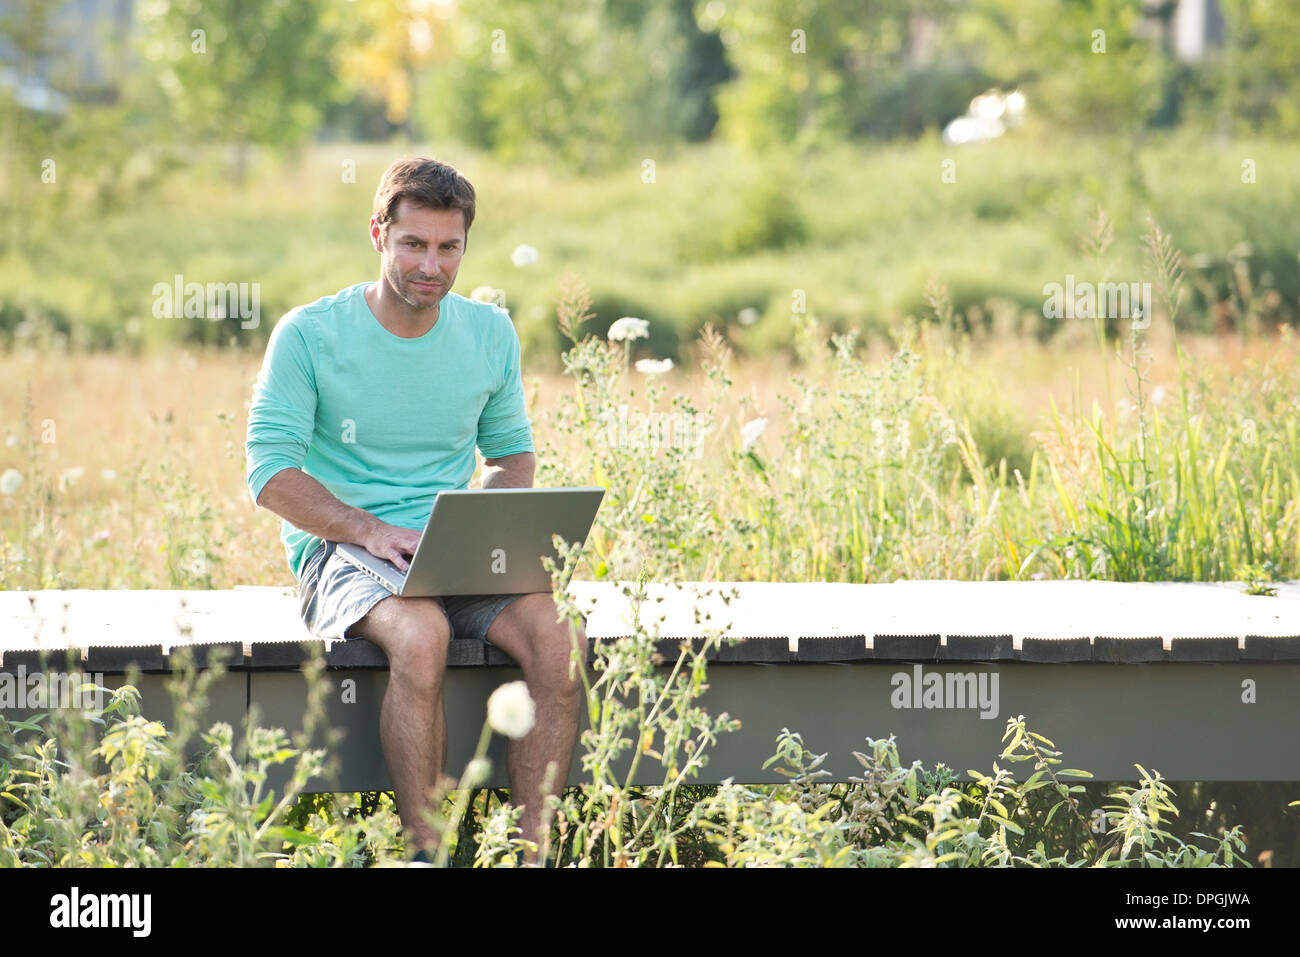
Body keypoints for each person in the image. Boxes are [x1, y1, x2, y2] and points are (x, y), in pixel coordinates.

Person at [244, 157, 586, 862]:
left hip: (451, 547)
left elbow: (511, 459)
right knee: (421, 634)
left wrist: (479, 525)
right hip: (343, 552)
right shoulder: (309, 334)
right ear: (378, 235)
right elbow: (270, 473)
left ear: (464, 245)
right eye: (414, 244)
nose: (432, 264)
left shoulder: (489, 333)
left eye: (448, 247)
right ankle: (427, 853)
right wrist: (372, 530)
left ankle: (532, 853)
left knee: (561, 634)